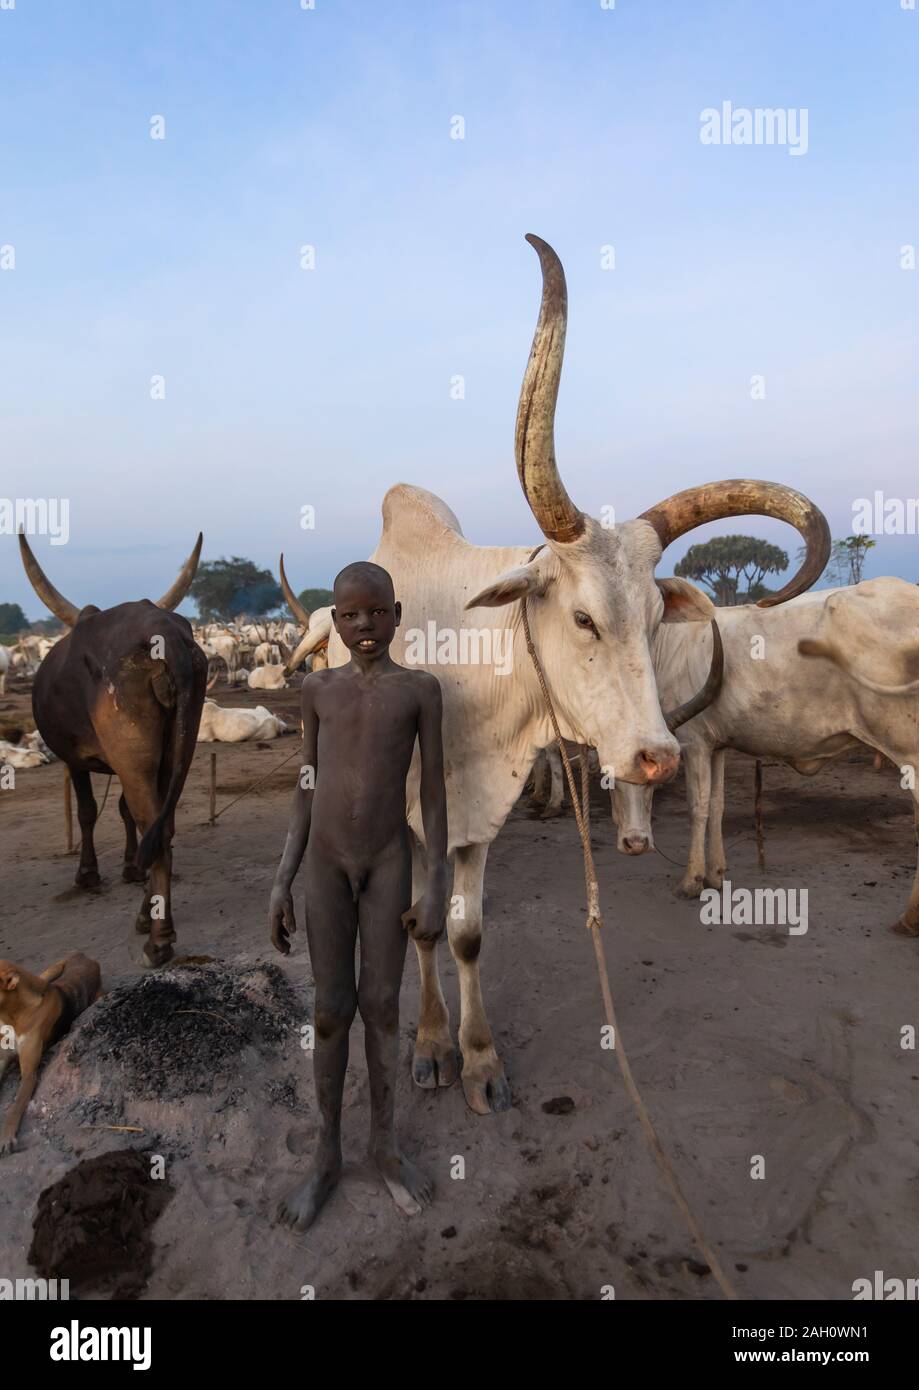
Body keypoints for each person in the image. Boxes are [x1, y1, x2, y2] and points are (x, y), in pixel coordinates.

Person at [269, 560, 449, 1231]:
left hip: (387, 860)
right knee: (328, 1012)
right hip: (323, 862)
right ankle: (325, 1157)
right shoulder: (316, 690)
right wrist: (281, 876)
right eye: (349, 615)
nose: (364, 626)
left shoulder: (420, 691)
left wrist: (438, 886)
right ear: (332, 623)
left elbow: (431, 792)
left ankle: (385, 1149)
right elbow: (306, 787)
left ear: (396, 614)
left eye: (376, 612)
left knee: (381, 1007)